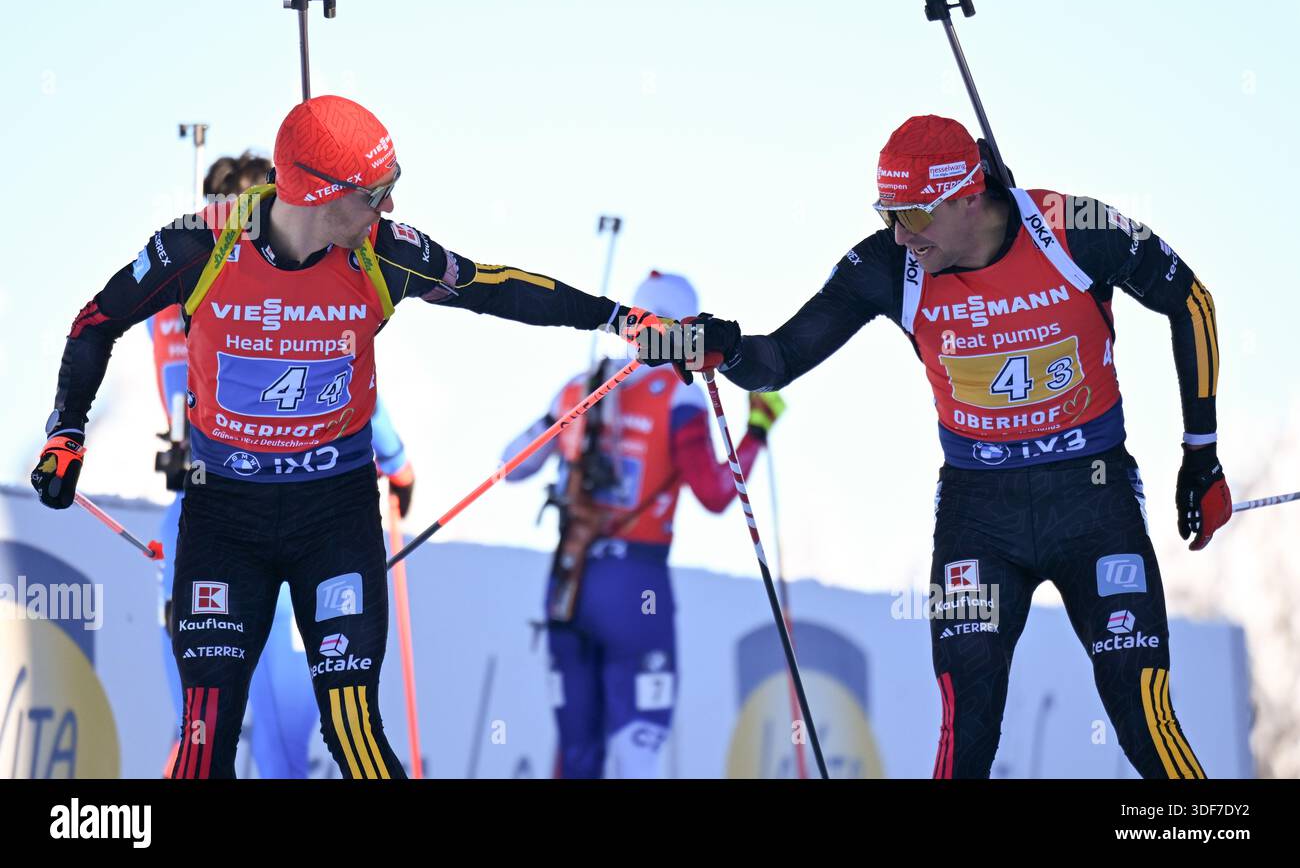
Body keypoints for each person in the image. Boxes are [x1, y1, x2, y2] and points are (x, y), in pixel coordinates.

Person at [32, 95, 664, 779]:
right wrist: (66, 434)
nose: (387, 209)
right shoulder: (200, 245)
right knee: (204, 735)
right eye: (376, 193)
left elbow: (496, 287)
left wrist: (622, 319)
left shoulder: (384, 254)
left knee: (353, 728)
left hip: (333, 511)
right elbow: (95, 321)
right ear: (319, 194)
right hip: (224, 514)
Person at [682, 115, 1229, 778]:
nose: (900, 234)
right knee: (965, 726)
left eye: (914, 214)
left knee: (1140, 710)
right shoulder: (889, 266)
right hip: (978, 515)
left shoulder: (1074, 231)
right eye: (888, 214)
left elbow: (1191, 300)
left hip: (1093, 498)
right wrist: (727, 346)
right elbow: (779, 358)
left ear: (970, 196)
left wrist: (1201, 453)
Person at [149, 150, 421, 778]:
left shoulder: (178, 278)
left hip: (192, 521)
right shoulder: (264, 280)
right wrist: (401, 467)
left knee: (199, 734)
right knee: (278, 746)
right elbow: (352, 406)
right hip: (272, 517)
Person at [502, 271, 785, 778]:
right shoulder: (681, 394)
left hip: (568, 581)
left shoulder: (579, 387)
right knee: (639, 748)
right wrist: (757, 431)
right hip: (637, 586)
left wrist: (563, 424)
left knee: (576, 753)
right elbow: (717, 494)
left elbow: (511, 466)